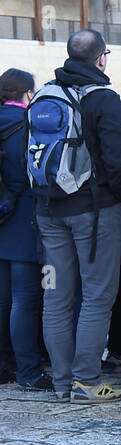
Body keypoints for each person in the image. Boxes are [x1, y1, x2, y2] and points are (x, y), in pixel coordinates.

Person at [31, 29, 121, 403]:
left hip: (47, 210)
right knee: (97, 295)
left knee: (55, 296)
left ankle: (61, 382)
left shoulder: (44, 93)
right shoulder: (103, 98)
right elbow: (117, 158)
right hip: (94, 212)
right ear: (101, 58)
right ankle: (86, 381)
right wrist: (119, 197)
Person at [0, 68, 51, 391]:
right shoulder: (24, 124)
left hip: (3, 218)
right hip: (21, 217)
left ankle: (4, 364)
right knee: (24, 299)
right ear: (27, 94)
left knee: (3, 298)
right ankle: (29, 370)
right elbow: (28, 173)